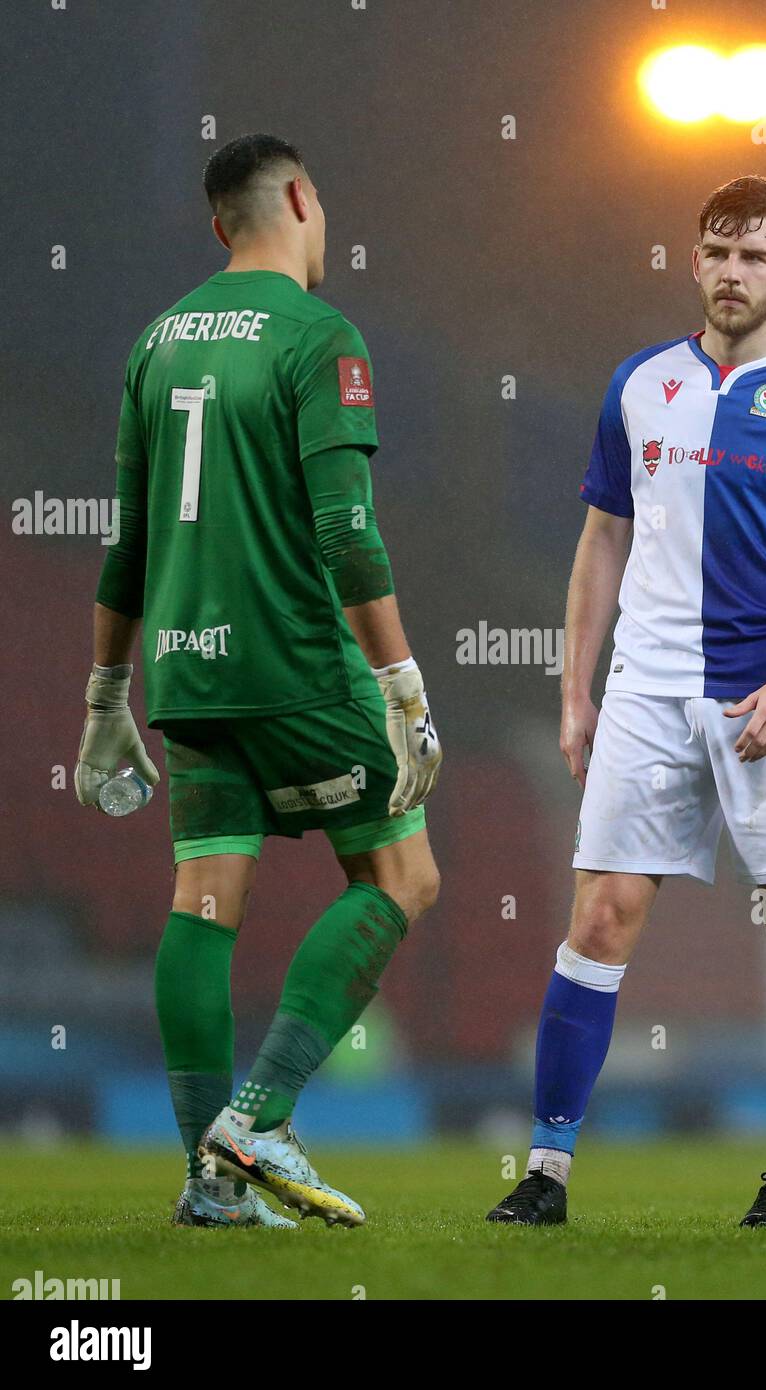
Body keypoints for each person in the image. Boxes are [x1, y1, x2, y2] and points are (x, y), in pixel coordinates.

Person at [487, 175, 766, 1228]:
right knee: (601, 916)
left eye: (754, 256)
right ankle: (545, 1171)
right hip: (647, 691)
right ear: (692, 262)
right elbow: (601, 541)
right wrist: (575, 691)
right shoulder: (639, 385)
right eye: (716, 251)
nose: (731, 272)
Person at [75, 133, 442, 1229]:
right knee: (401, 878)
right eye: (320, 200)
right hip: (292, 661)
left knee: (203, 899)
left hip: (184, 674)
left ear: (216, 225)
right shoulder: (319, 336)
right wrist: (402, 679)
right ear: (293, 197)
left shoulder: (156, 342)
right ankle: (260, 1115)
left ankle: (208, 1181)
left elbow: (128, 545)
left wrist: (104, 700)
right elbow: (346, 533)